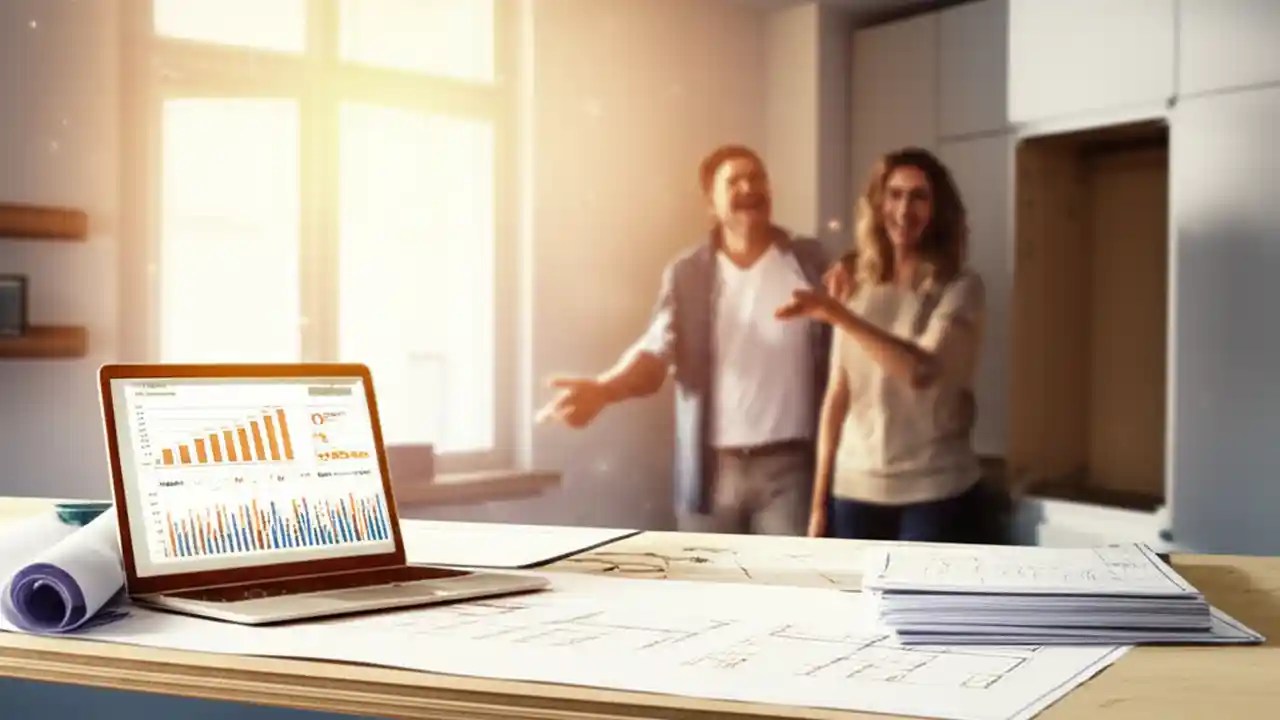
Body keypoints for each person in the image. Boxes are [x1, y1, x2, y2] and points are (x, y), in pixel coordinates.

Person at [536, 144, 836, 535]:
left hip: (792, 472)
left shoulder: (810, 262)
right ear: (711, 203)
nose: (749, 187)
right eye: (734, 181)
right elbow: (655, 352)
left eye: (757, 177)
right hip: (709, 473)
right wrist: (605, 389)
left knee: (788, 588)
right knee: (706, 589)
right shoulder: (687, 275)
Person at [777, 147, 986, 542]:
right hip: (854, 491)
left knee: (916, 605)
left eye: (919, 197)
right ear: (878, 203)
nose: (904, 210)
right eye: (894, 194)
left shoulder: (961, 287)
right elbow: (837, 397)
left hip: (934, 492)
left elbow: (921, 371)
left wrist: (839, 316)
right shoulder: (855, 281)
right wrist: (819, 505)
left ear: (938, 209)